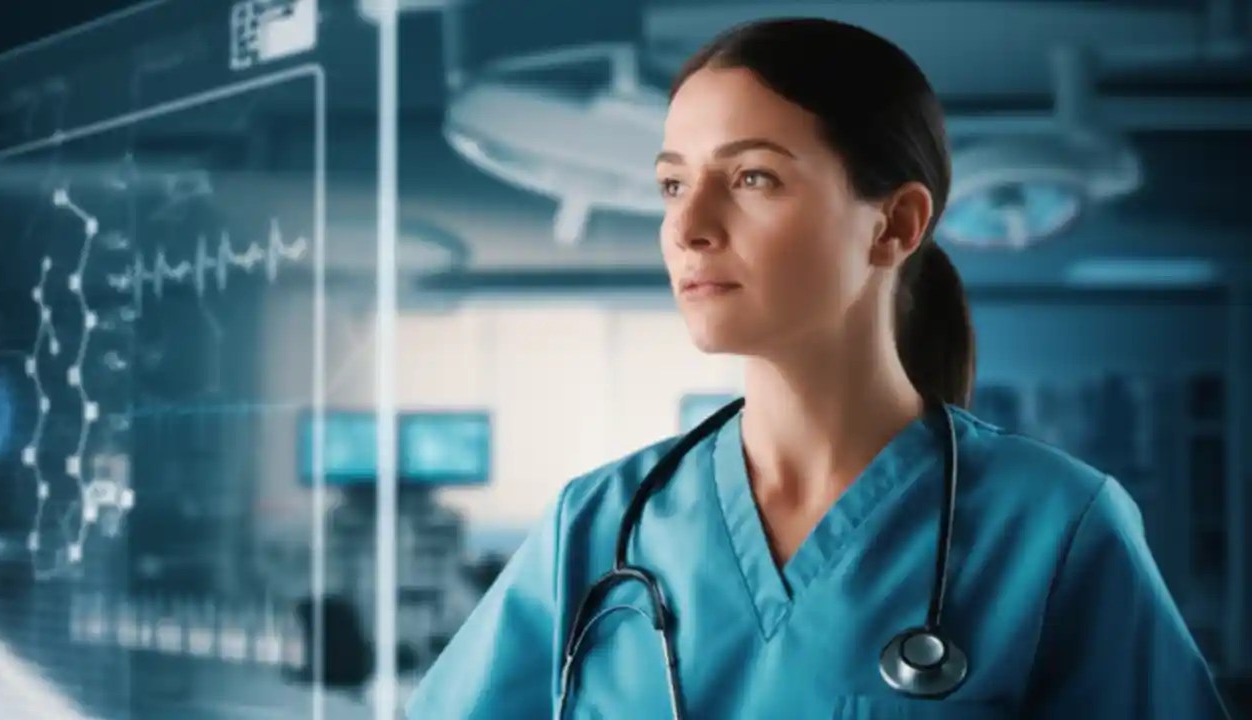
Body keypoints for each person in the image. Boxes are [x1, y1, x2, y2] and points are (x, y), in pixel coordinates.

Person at [404, 17, 1231, 719]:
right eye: (672, 185)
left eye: (752, 177)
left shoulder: (1054, 528)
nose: (688, 227)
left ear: (894, 225)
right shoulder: (594, 527)